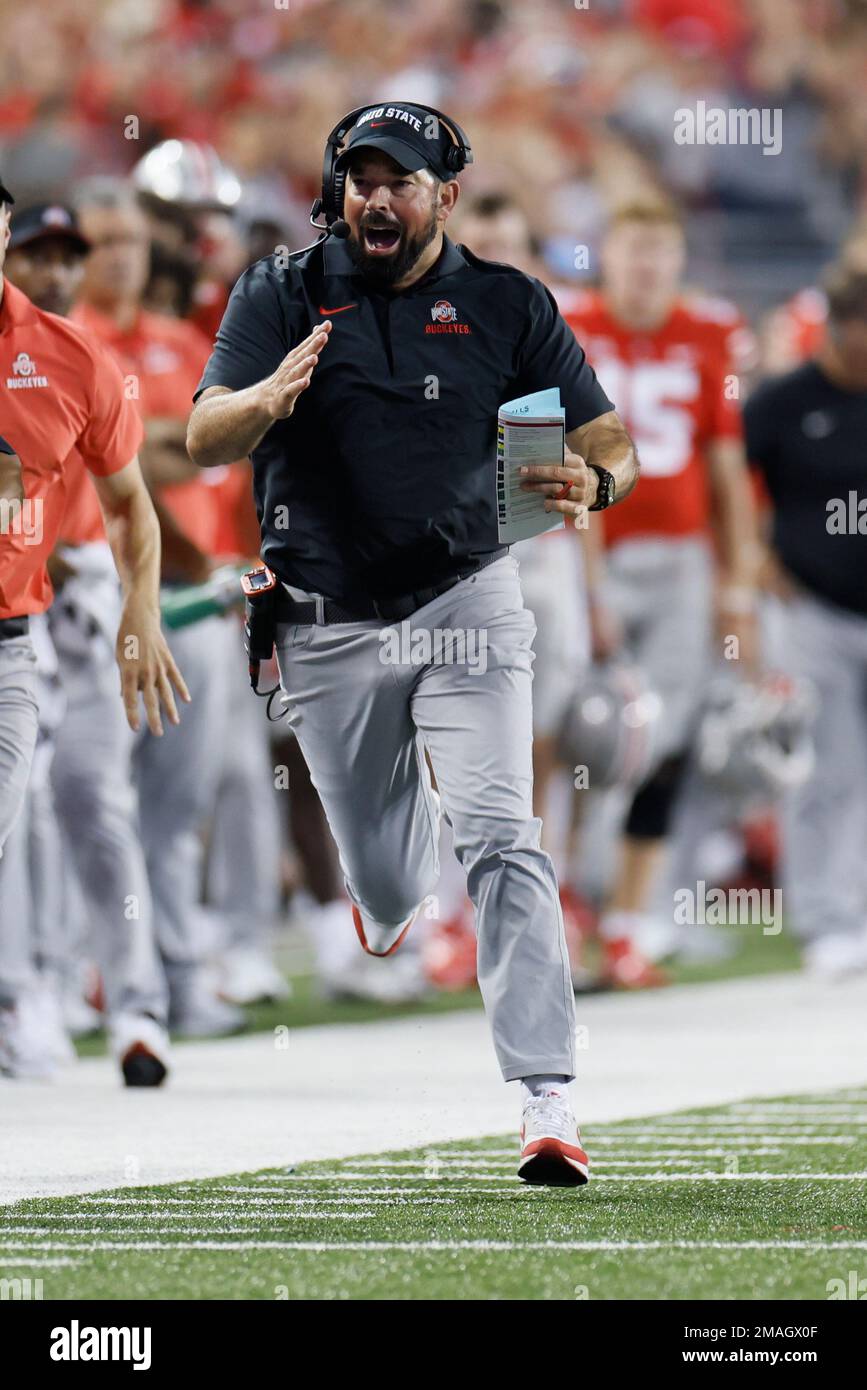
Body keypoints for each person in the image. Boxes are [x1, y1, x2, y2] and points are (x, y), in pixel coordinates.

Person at [188, 102, 639, 1186]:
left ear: (445, 192)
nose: (377, 197)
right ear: (339, 189)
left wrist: (599, 479)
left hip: (466, 597)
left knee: (500, 828)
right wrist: (265, 397)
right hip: (329, 618)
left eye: (402, 178)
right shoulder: (282, 290)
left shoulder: (505, 300)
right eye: (361, 177)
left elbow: (607, 433)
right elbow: (204, 434)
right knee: (388, 884)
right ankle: (390, 891)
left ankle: (548, 1096)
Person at [0, 177, 188, 1081]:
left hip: (69, 614)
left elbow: (136, 499)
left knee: (90, 803)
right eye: (46, 252)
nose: (59, 268)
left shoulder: (83, 355)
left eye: (72, 255)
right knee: (28, 810)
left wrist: (139, 605)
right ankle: (33, 988)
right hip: (37, 604)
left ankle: (132, 1001)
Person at [562, 197, 761, 985]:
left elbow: (726, 464)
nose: (645, 268)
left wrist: (737, 581)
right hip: (586, 550)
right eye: (632, 251)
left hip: (681, 559)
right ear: (606, 257)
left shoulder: (710, 331)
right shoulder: (569, 324)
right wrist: (592, 580)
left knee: (666, 741)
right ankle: (573, 908)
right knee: (580, 736)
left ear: (678, 262)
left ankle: (625, 923)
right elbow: (565, 455)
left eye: (659, 252)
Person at [70, 178, 243, 1037]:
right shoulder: (65, 346)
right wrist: (166, 448)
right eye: (100, 243)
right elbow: (139, 464)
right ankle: (79, 977)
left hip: (196, 599)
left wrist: (158, 450)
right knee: (88, 800)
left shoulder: (183, 341)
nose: (118, 258)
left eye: (128, 241)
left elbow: (216, 452)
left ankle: (177, 977)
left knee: (180, 808)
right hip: (99, 602)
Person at [744, 263, 867, 978]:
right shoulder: (785, 402)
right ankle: (823, 918)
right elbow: (727, 472)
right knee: (828, 767)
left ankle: (855, 905)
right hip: (813, 607)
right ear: (833, 329)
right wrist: (753, 556)